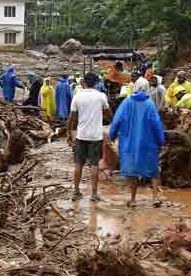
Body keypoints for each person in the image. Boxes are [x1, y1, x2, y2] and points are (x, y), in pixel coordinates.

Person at [110, 77, 166, 208]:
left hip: (130, 142)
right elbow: (156, 124)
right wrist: (160, 141)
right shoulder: (150, 104)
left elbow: (117, 120)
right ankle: (155, 197)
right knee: (153, 170)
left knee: (133, 171)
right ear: (147, 88)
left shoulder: (127, 102)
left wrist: (112, 135)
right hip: (148, 142)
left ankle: (133, 199)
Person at [68, 72, 111, 201]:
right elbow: (108, 114)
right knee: (94, 165)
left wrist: (69, 132)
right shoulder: (101, 96)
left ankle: (76, 191)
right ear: (96, 83)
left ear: (83, 83)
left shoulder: (77, 96)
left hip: (81, 135)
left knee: (78, 164)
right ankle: (93, 194)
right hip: (96, 136)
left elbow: (72, 118)